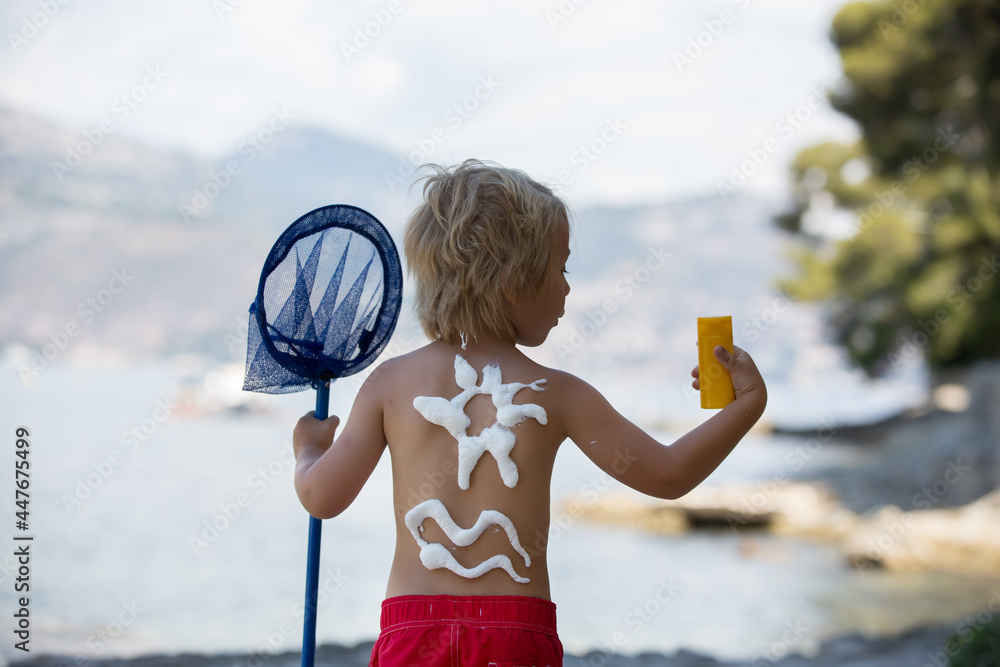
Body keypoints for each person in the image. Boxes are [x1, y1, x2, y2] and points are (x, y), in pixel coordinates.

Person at [292, 159, 767, 667]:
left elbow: (321, 497)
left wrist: (309, 450)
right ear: (514, 283)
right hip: (514, 639)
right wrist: (747, 404)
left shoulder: (389, 384)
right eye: (561, 269)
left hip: (414, 633)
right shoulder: (559, 394)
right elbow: (669, 475)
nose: (567, 288)